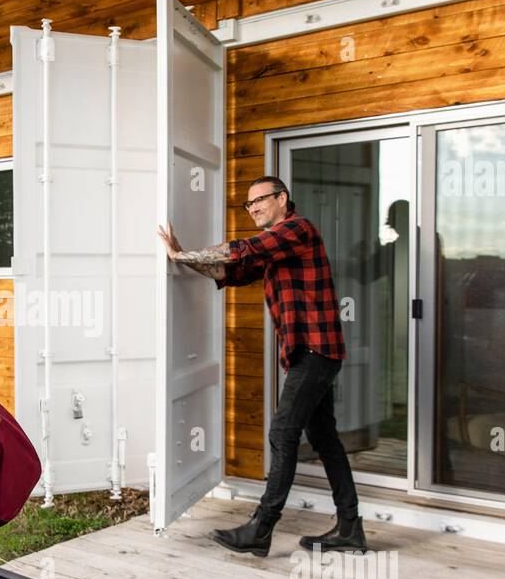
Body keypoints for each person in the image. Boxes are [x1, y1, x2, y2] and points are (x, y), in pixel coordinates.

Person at [156, 175, 365, 556]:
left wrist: (181, 256)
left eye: (260, 200)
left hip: (316, 351)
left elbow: (240, 250)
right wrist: (184, 255)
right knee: (325, 440)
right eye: (248, 204)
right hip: (311, 353)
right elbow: (227, 271)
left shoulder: (296, 229)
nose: (252, 208)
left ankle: (261, 528)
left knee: (282, 434)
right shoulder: (277, 249)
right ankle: (350, 528)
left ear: (283, 198)